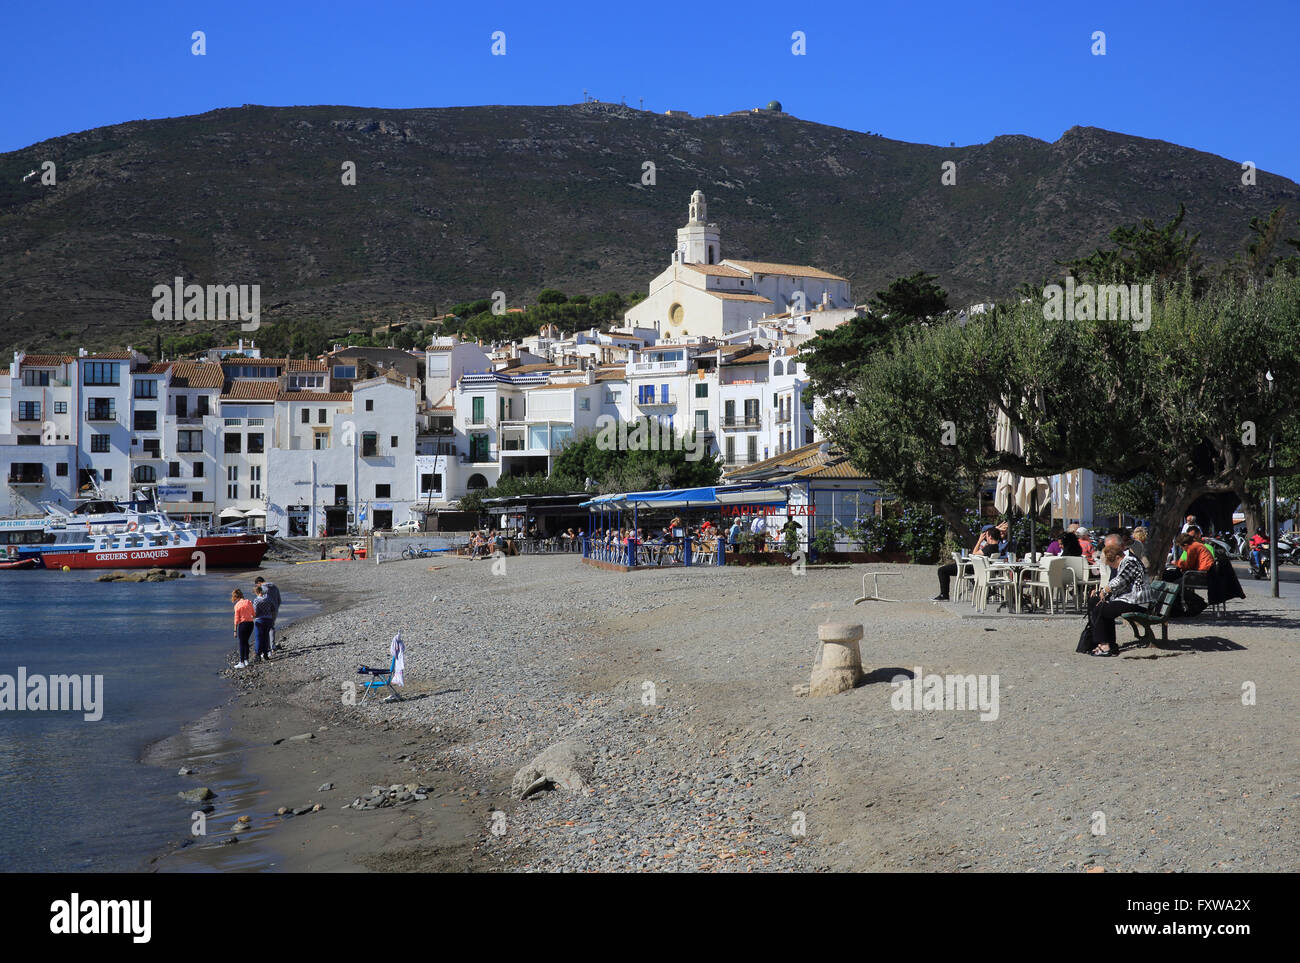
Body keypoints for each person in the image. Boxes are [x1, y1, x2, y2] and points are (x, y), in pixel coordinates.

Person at [1086, 534, 1152, 657]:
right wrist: (1102, 593)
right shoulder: (1124, 561)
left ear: (1117, 557)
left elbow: (1119, 581)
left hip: (1137, 601)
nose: (1112, 567)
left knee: (1101, 609)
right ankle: (1103, 642)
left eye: (1112, 564)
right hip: (1128, 599)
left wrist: (1104, 591)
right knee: (1095, 602)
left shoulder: (1130, 561)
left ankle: (1105, 646)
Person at [933, 523, 1003, 600]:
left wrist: (979, 541)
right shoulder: (995, 547)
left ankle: (944, 595)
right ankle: (987, 591)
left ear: (990, 536)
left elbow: (974, 553)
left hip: (973, 568)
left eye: (986, 535)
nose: (985, 537)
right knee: (946, 569)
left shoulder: (989, 547)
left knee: (942, 570)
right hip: (979, 568)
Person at [255, 576, 281, 651]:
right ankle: (272, 646)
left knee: (265, 629)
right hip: (275, 609)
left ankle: (267, 648)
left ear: (259, 583)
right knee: (271, 627)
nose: (257, 588)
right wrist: (276, 608)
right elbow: (279, 600)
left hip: (266, 612)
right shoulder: (275, 587)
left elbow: (262, 600)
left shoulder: (263, 588)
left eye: (257, 586)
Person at [231, 589, 255, 669]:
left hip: (243, 624)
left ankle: (241, 662)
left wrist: (235, 630)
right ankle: (246, 660)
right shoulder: (249, 602)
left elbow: (236, 619)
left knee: (242, 643)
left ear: (235, 597)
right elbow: (253, 614)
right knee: (246, 642)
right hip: (251, 624)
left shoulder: (237, 605)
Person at [252, 584, 275, 662]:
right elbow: (273, 608)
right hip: (268, 619)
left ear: (256, 592)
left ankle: (258, 655)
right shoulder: (269, 599)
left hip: (259, 620)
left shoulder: (256, 600)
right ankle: (265, 654)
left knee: (258, 637)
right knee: (265, 637)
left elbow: (255, 612)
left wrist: (252, 617)